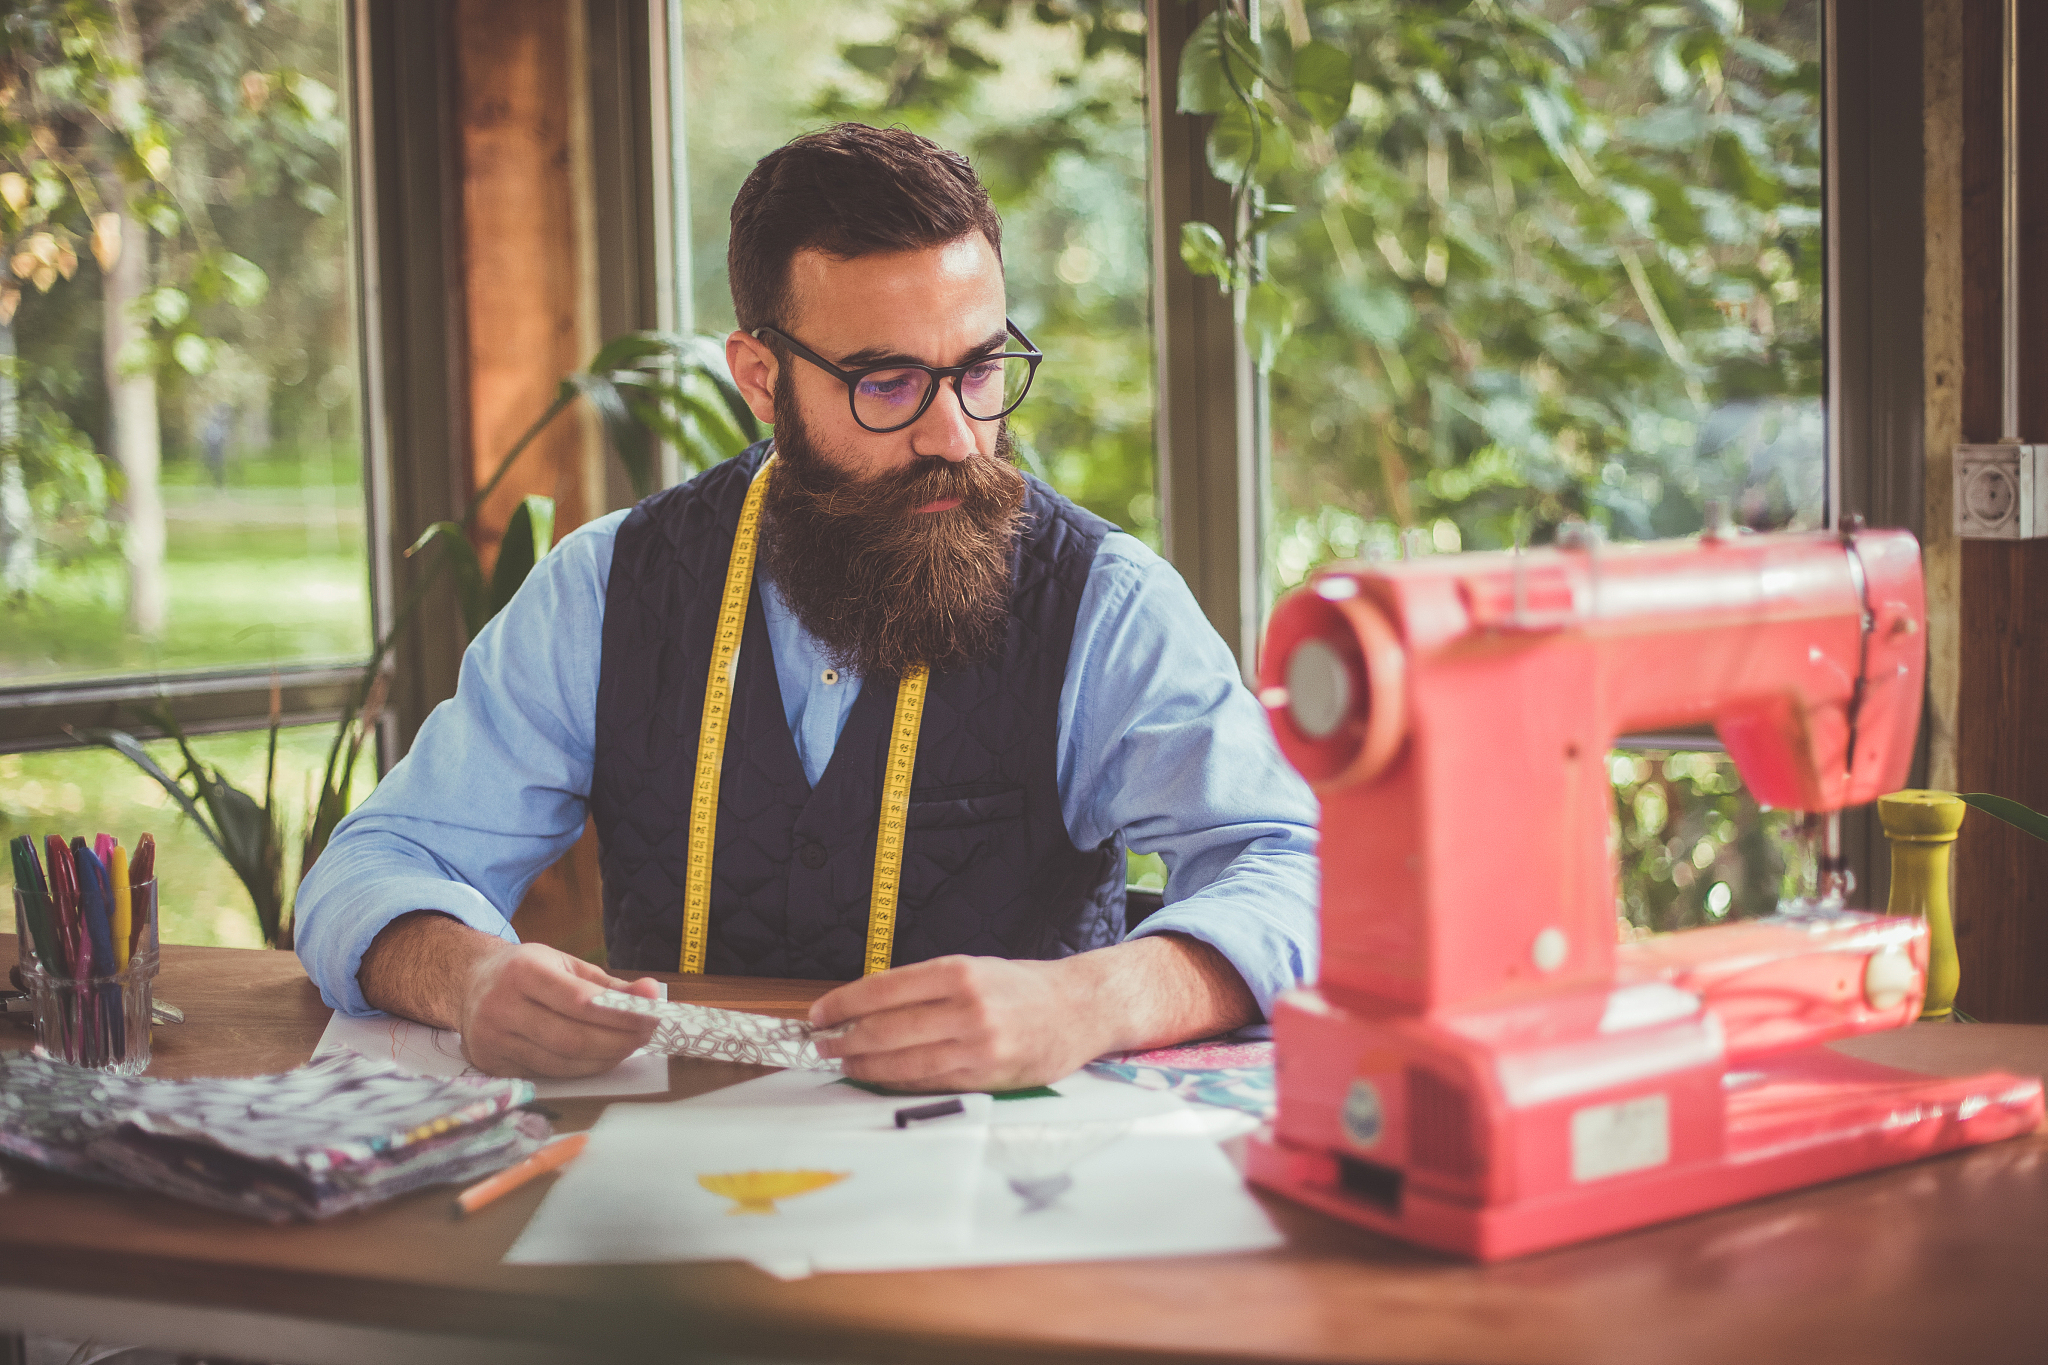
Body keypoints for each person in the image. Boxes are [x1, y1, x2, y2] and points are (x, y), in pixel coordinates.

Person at [295, 123, 1319, 1093]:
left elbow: (1300, 869)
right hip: (673, 1188)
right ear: (758, 377)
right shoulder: (604, 591)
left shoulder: (1106, 603)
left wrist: (1089, 999)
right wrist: (468, 976)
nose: (955, 437)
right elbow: (381, 864)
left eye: (978, 371)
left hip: (1007, 1201)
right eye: (887, 384)